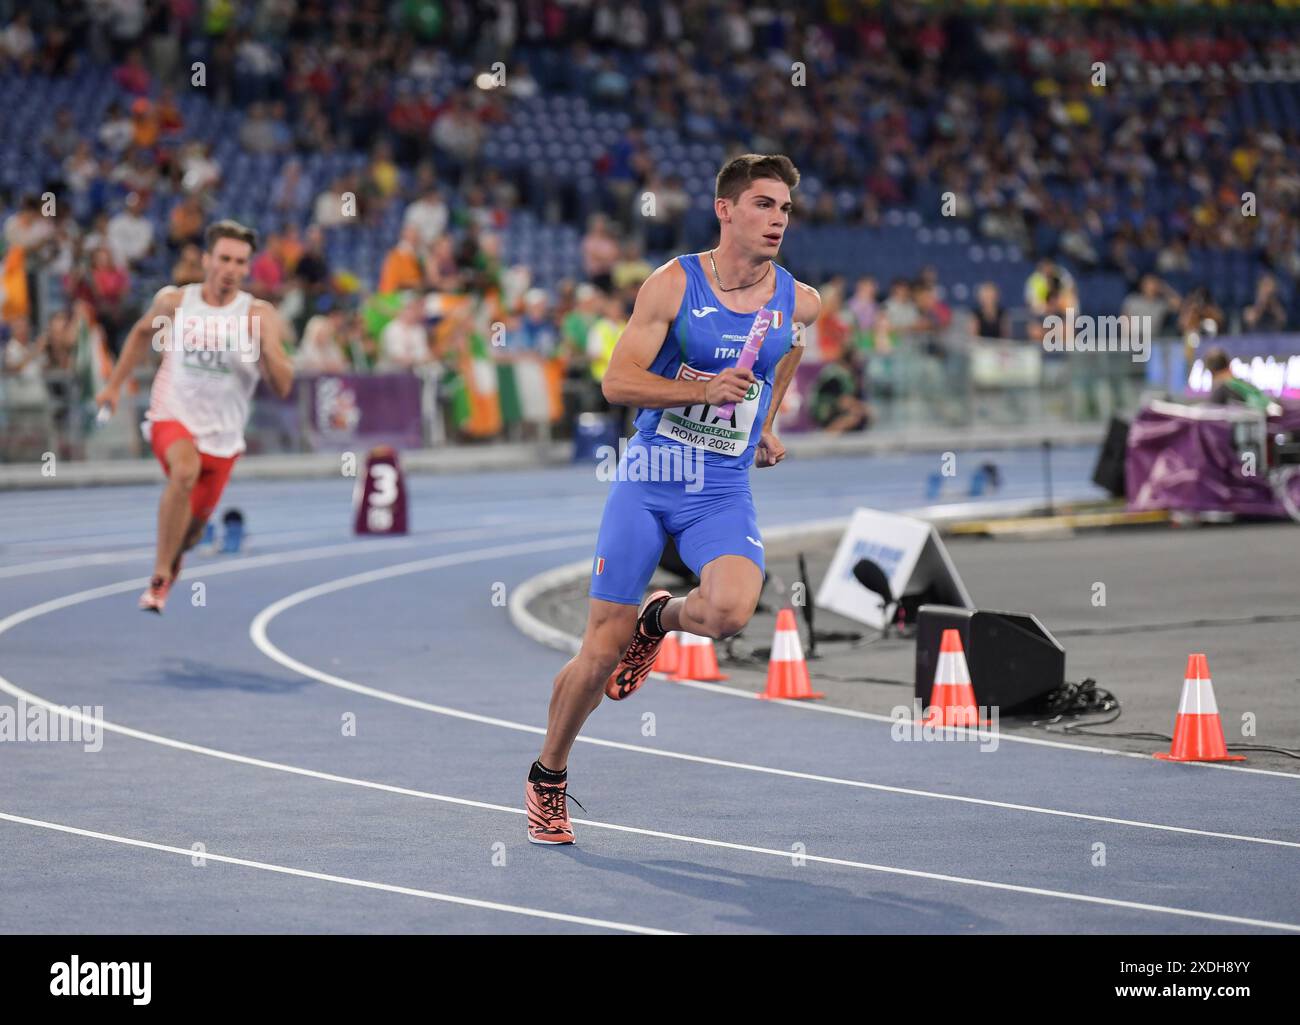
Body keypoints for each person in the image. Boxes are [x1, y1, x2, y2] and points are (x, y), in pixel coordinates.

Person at [526, 154, 821, 845]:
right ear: (725, 209)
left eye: (784, 208)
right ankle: (549, 776)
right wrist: (701, 390)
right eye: (762, 204)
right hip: (652, 476)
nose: (777, 219)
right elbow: (617, 383)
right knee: (599, 651)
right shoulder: (672, 285)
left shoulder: (798, 298)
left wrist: (768, 422)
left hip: (719, 485)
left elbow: (791, 348)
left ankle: (658, 619)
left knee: (729, 611)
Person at [95, 220, 294, 613]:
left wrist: (266, 348)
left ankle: (174, 557)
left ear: (248, 267)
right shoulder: (176, 302)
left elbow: (284, 384)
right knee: (183, 471)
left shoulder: (258, 314)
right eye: (224, 258)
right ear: (207, 260)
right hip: (172, 415)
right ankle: (159, 578)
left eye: (240, 262)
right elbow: (138, 335)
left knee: (191, 532)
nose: (231, 269)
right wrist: (113, 387)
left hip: (223, 438)